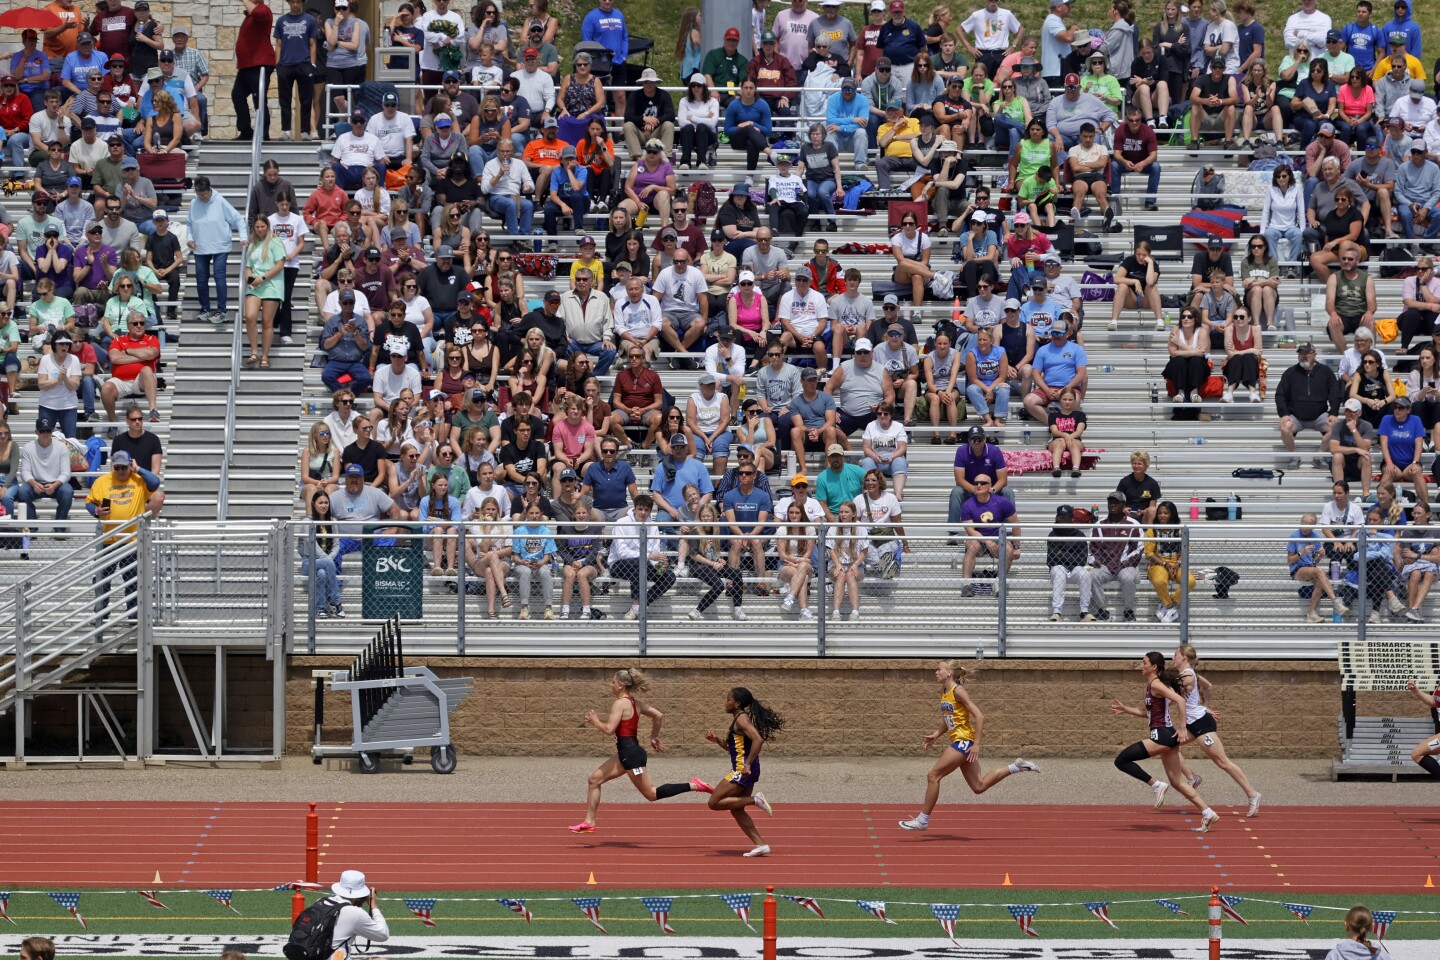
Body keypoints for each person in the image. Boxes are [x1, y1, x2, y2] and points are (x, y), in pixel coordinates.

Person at [898, 659, 1039, 831]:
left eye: (939, 669)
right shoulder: (944, 691)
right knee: (978, 786)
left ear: (949, 672)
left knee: (933, 776)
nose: (935, 672)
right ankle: (1017, 767)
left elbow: (979, 716)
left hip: (964, 742)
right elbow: (950, 719)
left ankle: (923, 820)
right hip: (962, 742)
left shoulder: (959, 691)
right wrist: (936, 734)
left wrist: (976, 744)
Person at [1110, 652, 1218, 830]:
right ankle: (1208, 813)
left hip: (1162, 736)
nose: (1140, 665)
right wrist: (1126, 710)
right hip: (1167, 736)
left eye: (1144, 662)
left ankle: (1156, 785)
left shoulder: (1156, 684)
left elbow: (1181, 701)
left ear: (1153, 667)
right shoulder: (1153, 684)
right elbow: (1150, 713)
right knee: (1178, 782)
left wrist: (1183, 728)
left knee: (1121, 760)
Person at [1171, 644, 1262, 817]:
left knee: (1222, 762)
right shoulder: (1190, 674)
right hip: (1194, 723)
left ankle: (1253, 794)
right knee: (1168, 745)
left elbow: (1173, 692)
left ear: (1183, 657)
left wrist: (1203, 709)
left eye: (1175, 654)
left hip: (1201, 725)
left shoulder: (1187, 676)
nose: (1172, 657)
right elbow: (1208, 686)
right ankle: (1192, 777)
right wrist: (1204, 707)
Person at [186, 177, 246, 324]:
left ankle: (222, 310)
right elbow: (189, 224)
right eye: (200, 194)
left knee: (219, 276)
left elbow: (238, 218)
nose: (203, 197)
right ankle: (205, 309)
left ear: (210, 189)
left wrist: (243, 236)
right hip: (200, 246)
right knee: (201, 279)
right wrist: (189, 238)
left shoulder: (220, 201)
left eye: (205, 194)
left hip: (220, 245)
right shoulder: (194, 203)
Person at [1276, 341, 1341, 468]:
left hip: (1319, 416)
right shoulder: (1290, 372)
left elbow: (1335, 393)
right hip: (1296, 416)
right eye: (1301, 353)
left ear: (1314, 354)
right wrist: (1284, 414)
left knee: (1336, 427)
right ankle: (1294, 456)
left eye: (1307, 353)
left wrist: (1333, 413)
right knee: (1285, 428)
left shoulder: (1325, 371)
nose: (1304, 356)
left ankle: (1319, 456)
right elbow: (1280, 394)